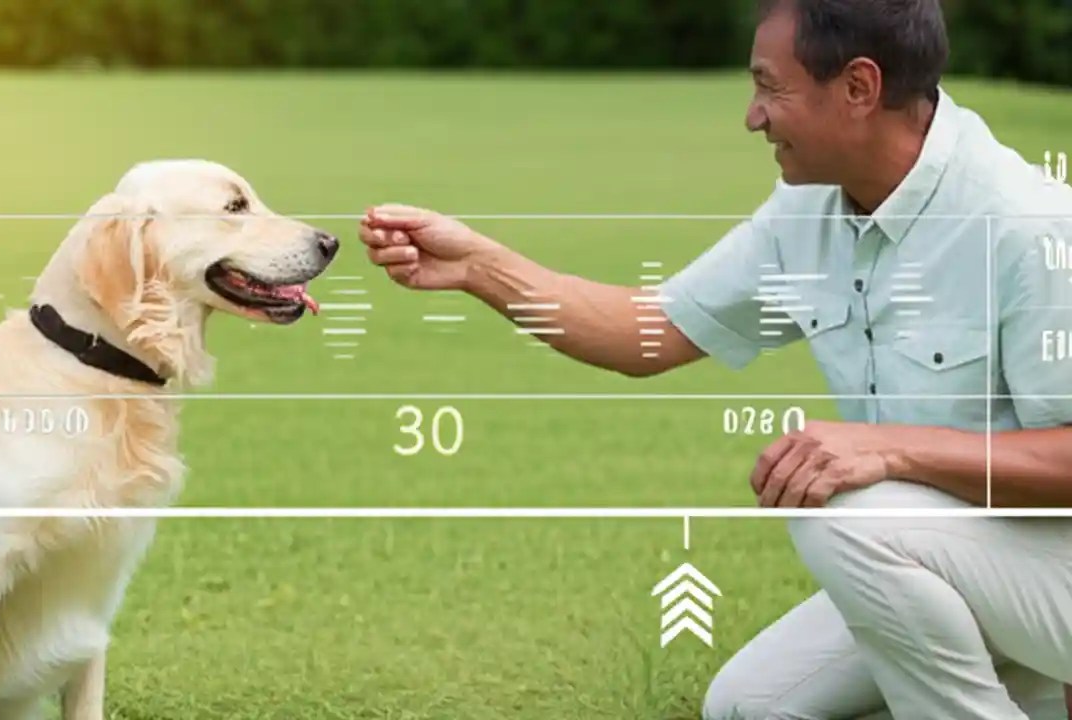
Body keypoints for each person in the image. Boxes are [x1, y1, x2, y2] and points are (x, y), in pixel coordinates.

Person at [357, 0, 1072, 718]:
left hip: (1051, 577)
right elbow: (649, 332)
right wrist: (478, 266)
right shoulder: (810, 211)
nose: (753, 116)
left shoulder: (1024, 223)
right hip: (944, 566)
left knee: (850, 509)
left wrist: (889, 448)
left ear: (859, 88)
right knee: (748, 706)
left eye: (770, 86)